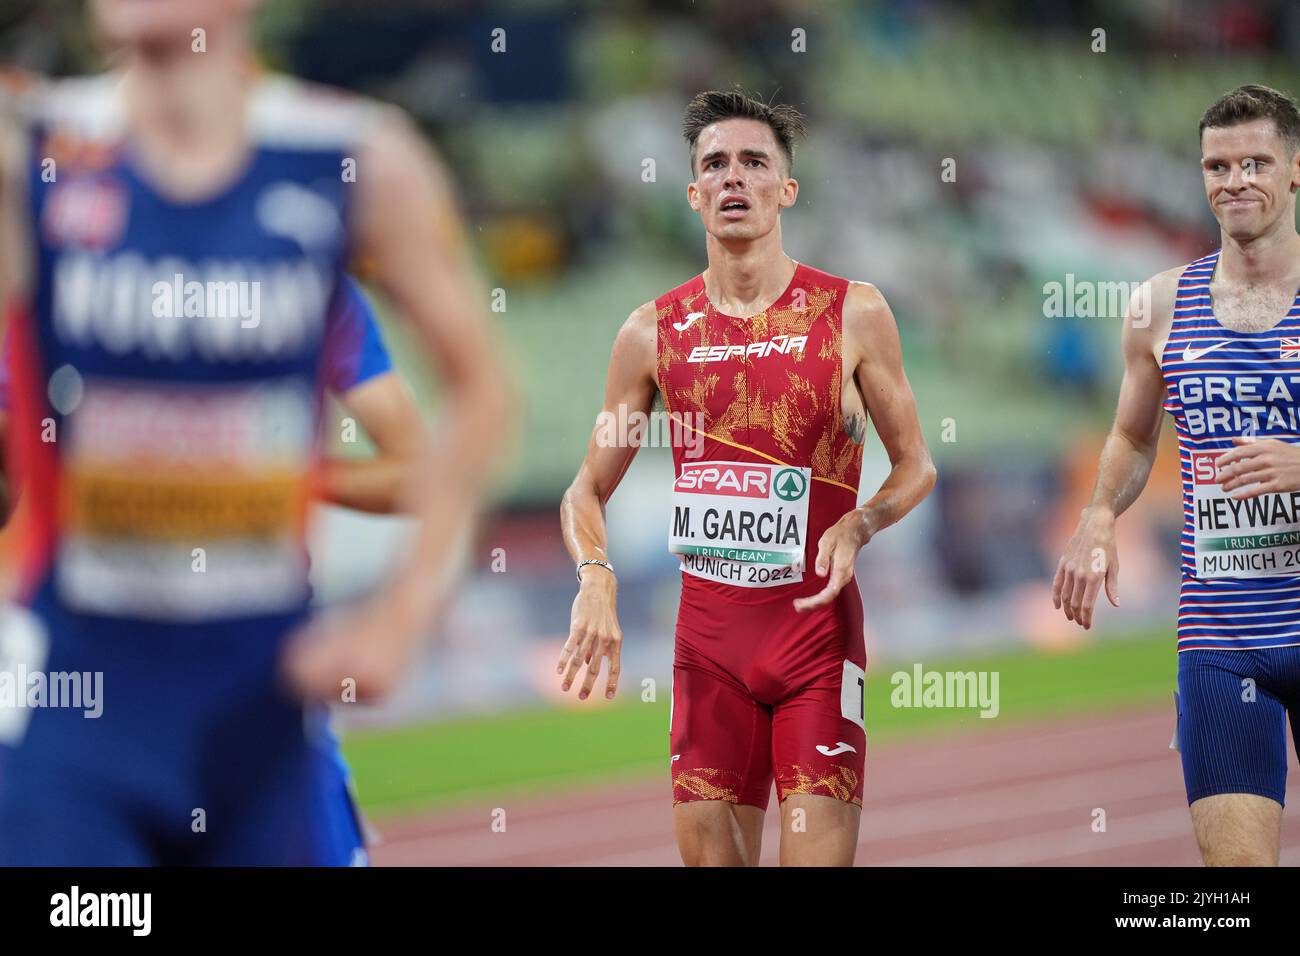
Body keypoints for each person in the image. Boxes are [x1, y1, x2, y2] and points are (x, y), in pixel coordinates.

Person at [0, 0, 507, 864]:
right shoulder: (32, 154)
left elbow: (483, 389)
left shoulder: (353, 158)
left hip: (262, 704)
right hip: (72, 699)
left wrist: (400, 617)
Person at [558, 90, 935, 866]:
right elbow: (584, 490)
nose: (734, 178)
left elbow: (915, 466)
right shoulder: (650, 332)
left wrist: (860, 522)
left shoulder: (853, 313)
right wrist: (595, 575)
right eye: (714, 165)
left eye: (754, 162)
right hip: (708, 652)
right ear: (694, 193)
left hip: (817, 643)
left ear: (786, 189)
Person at [1053, 84, 1300, 866]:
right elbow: (1130, 437)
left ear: (1295, 171)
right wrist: (1098, 515)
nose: (1235, 181)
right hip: (1219, 638)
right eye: (1217, 165)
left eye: (1256, 162)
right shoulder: (1160, 304)